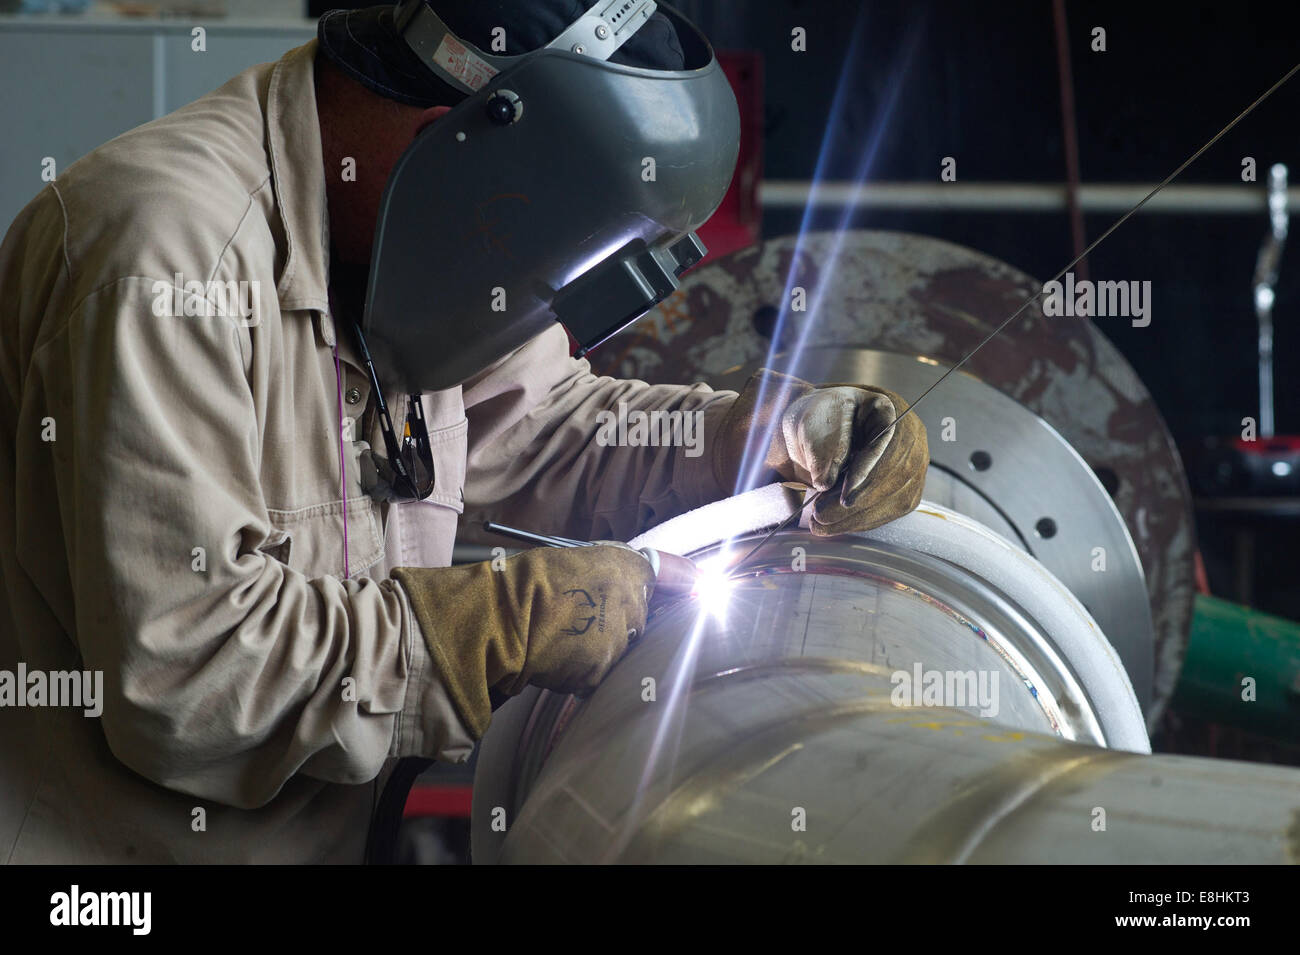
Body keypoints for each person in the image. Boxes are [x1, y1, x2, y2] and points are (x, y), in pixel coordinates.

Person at [0, 0, 927, 863]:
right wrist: (493, 627)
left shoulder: (403, 242)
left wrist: (754, 441)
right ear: (451, 146)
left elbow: (548, 427)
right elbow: (194, 674)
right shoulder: (166, 261)